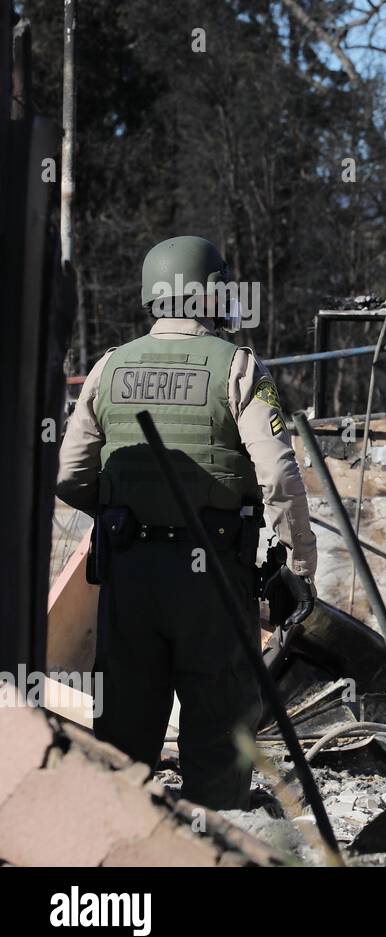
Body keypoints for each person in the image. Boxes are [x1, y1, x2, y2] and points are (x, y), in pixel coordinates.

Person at [55, 235, 317, 809]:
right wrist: (298, 564)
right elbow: (278, 476)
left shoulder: (109, 366)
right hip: (213, 574)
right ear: (210, 294)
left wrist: (125, 513)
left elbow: (70, 473)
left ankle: (122, 853)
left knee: (122, 730)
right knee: (219, 726)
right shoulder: (240, 366)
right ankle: (212, 842)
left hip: (127, 576)